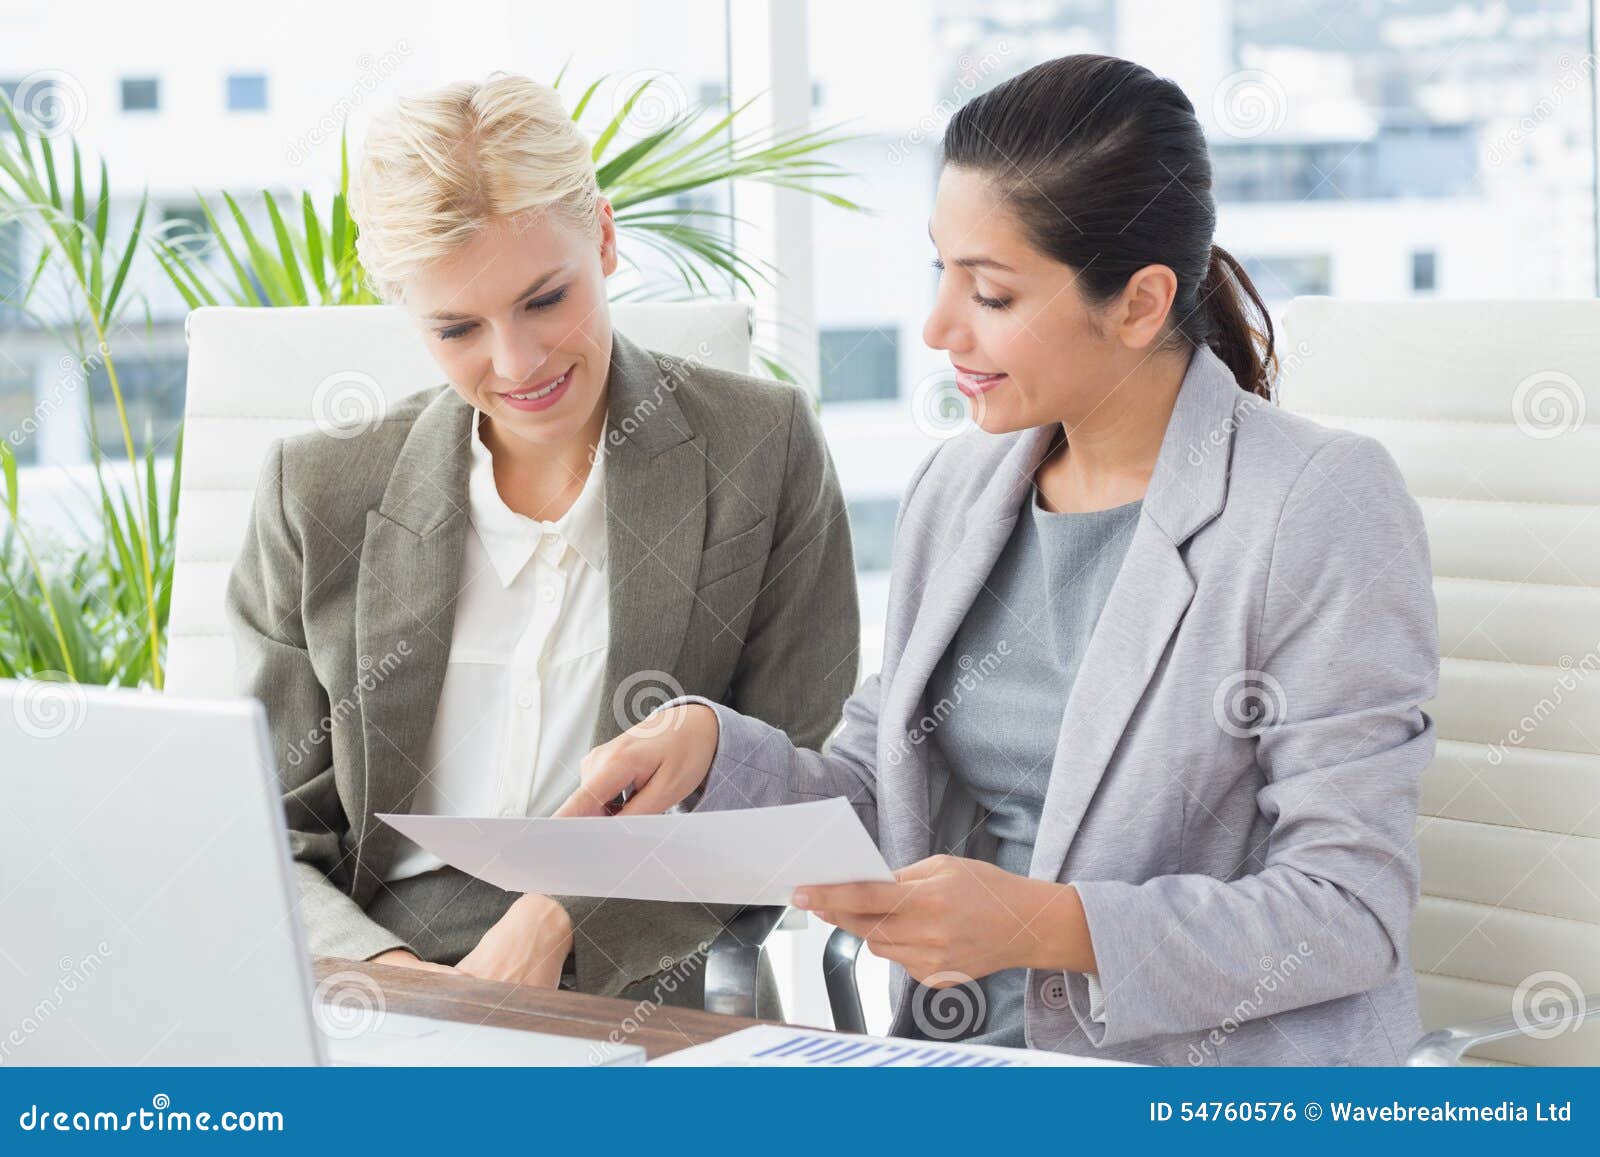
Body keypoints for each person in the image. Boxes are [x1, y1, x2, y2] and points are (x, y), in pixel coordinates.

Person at [557, 54, 1439, 1064]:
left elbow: (1349, 908)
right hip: (961, 1060)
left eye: (991, 292)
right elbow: (881, 791)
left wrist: (1046, 923)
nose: (938, 326)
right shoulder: (962, 488)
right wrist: (715, 753)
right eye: (941, 270)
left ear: (1141, 304)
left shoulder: (1314, 503)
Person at [225, 73, 859, 1007]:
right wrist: (401, 985)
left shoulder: (760, 448)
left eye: (545, 299)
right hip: (377, 973)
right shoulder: (315, 492)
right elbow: (267, 827)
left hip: (648, 961)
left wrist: (560, 914)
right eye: (457, 327)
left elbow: (798, 781)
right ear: (407, 311)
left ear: (602, 236)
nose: (516, 364)